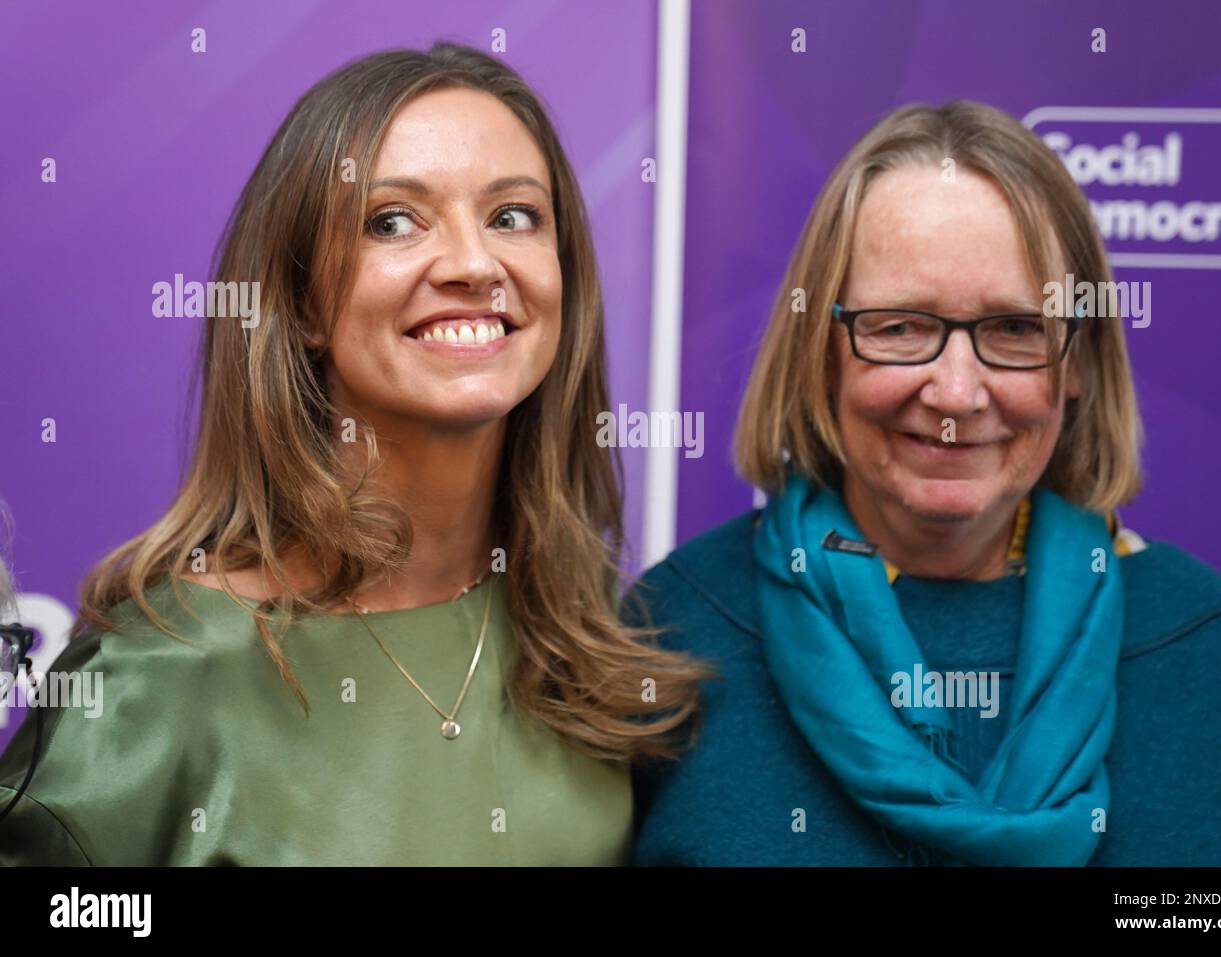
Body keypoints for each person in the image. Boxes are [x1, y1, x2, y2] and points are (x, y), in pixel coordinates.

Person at [0, 42, 707, 865]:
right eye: (393, 221)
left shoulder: (586, 651)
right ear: (300, 301)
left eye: (513, 216)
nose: (476, 264)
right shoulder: (157, 674)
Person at [626, 100, 1221, 866]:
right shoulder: (670, 635)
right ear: (820, 348)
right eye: (900, 325)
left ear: (1076, 362)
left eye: (1014, 329)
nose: (955, 393)